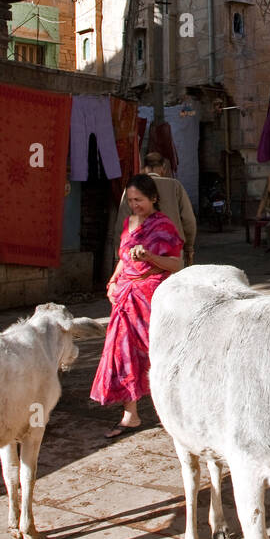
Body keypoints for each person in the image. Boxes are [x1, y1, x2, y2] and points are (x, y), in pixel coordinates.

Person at [92, 174, 184, 437]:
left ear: (153, 198)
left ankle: (170, 408)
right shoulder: (128, 223)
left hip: (151, 297)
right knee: (123, 352)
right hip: (125, 296)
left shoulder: (164, 226)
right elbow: (123, 256)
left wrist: (149, 255)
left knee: (154, 352)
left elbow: (175, 264)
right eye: (131, 201)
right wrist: (112, 280)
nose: (135, 205)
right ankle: (130, 414)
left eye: (139, 200)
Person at [117, 152, 197, 266]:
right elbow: (188, 221)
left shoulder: (132, 188)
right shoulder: (174, 186)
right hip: (172, 252)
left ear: (143, 168)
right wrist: (189, 247)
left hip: (141, 254)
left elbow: (122, 223)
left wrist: (118, 255)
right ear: (163, 168)